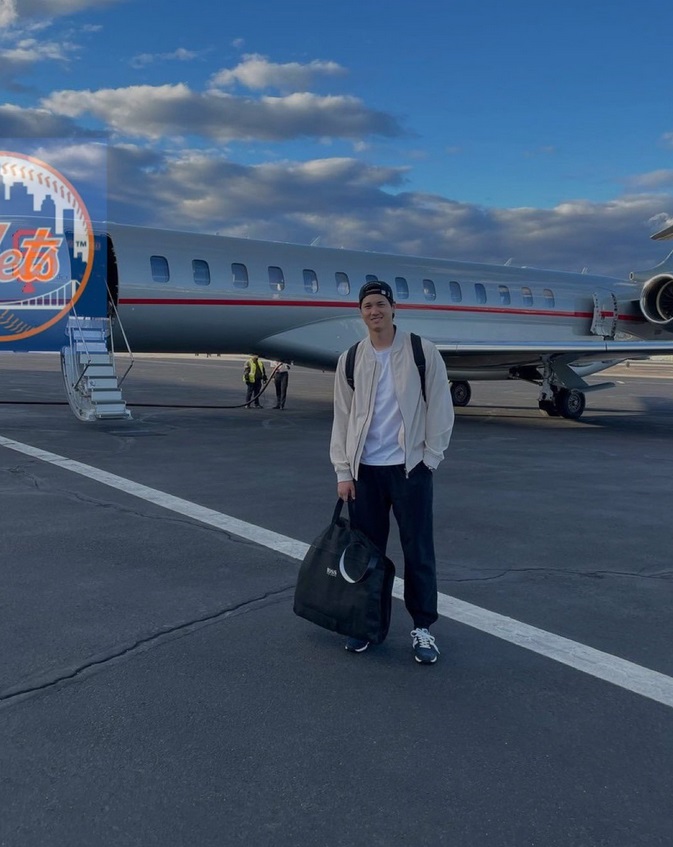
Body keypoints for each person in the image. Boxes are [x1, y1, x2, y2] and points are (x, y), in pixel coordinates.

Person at [330, 280, 454, 664]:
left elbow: (440, 407)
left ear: (393, 307)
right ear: (361, 312)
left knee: (419, 551)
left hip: (409, 470)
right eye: (368, 305)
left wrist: (430, 459)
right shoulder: (351, 358)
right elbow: (343, 417)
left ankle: (422, 628)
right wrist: (343, 470)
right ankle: (364, 624)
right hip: (364, 472)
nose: (374, 311)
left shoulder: (421, 351)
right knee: (366, 555)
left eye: (380, 303)